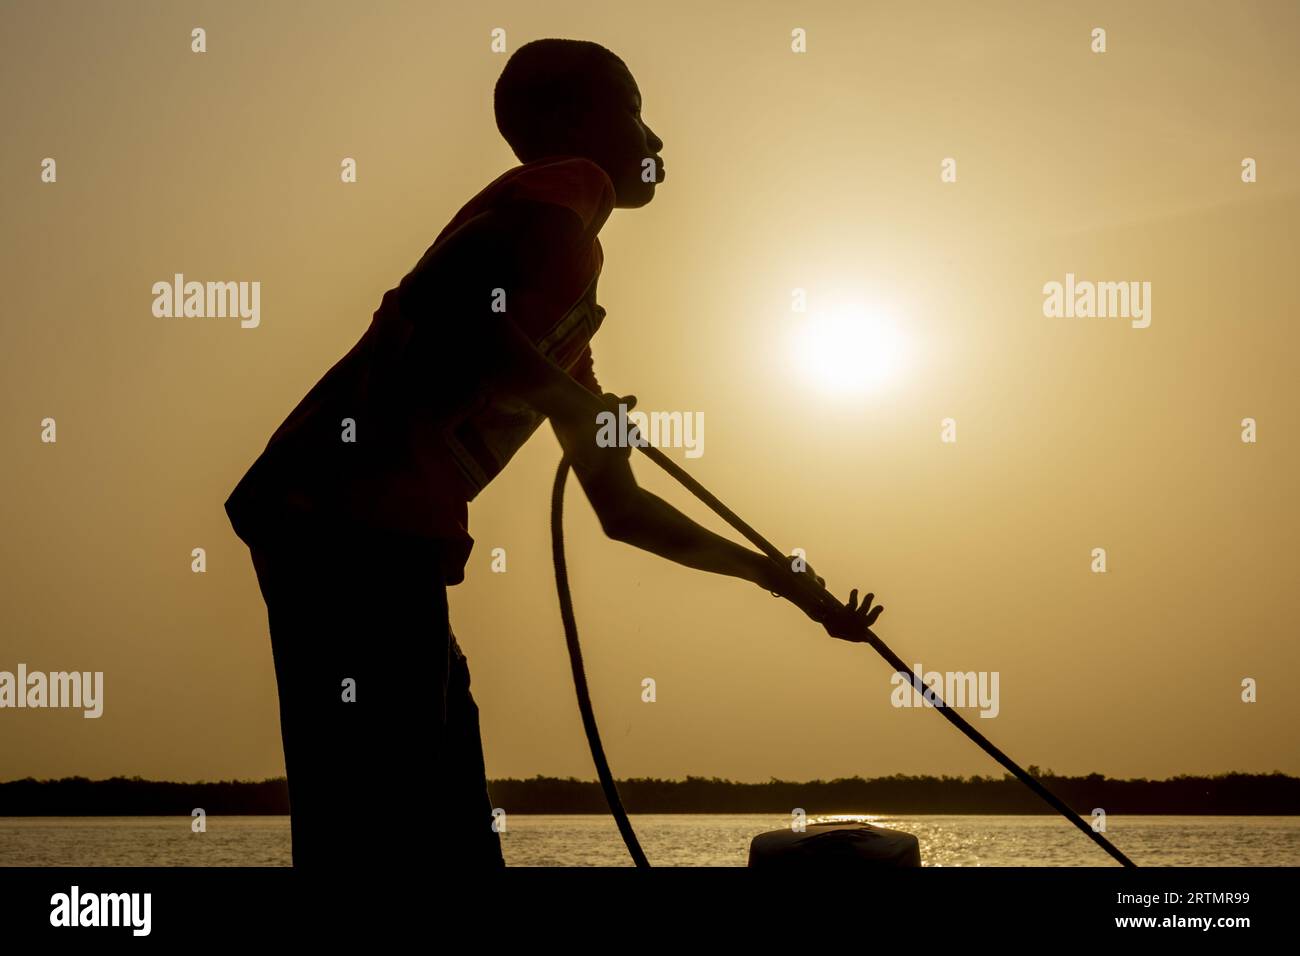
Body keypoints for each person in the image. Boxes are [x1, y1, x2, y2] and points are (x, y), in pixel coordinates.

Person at [224, 38, 884, 870]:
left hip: (360, 534)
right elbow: (451, 304)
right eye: (637, 112)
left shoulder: (565, 319)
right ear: (571, 124)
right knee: (386, 811)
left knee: (427, 806)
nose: (657, 142)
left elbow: (624, 512)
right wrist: (573, 401)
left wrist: (776, 579)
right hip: (345, 526)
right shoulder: (566, 197)